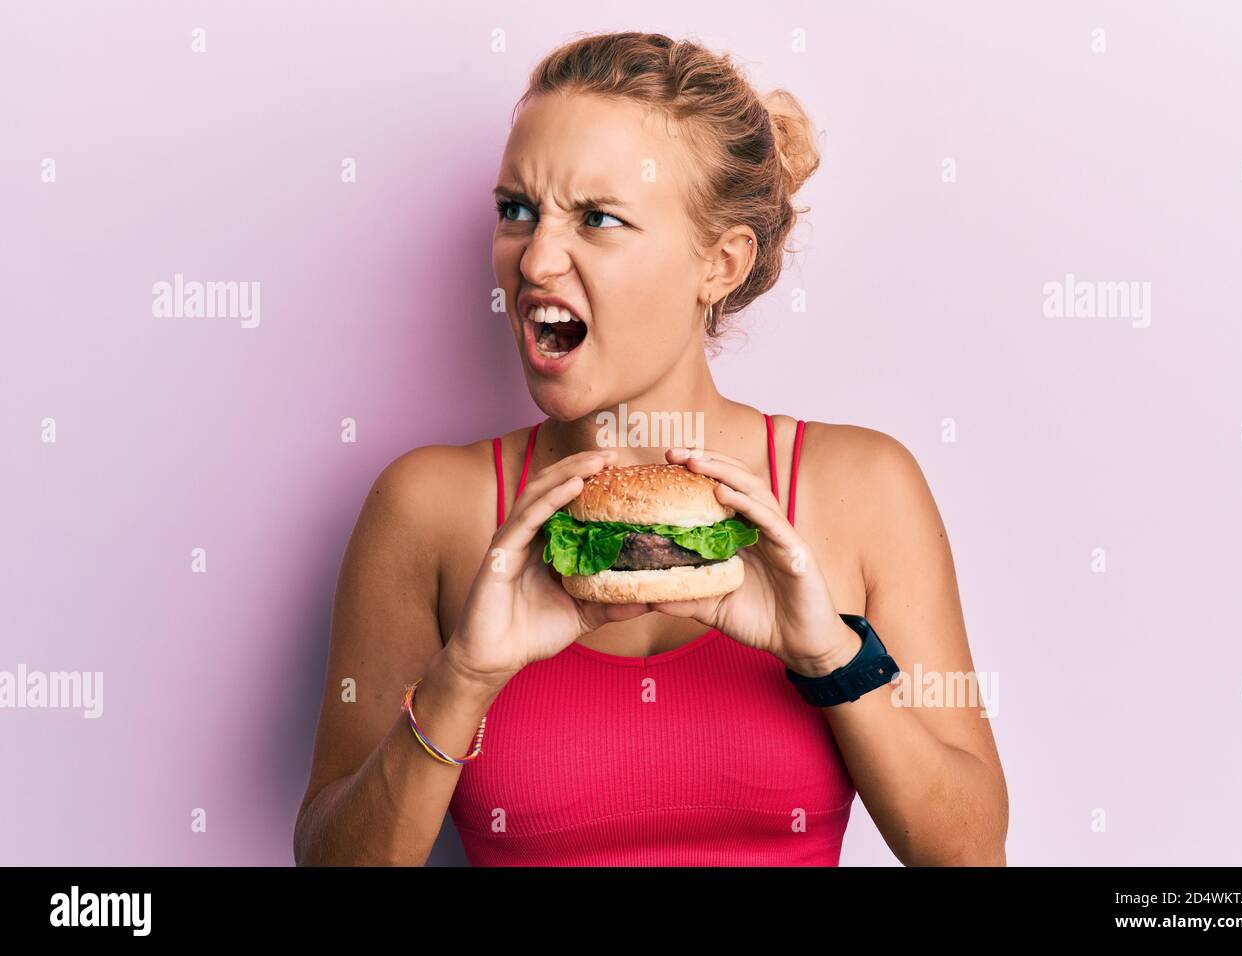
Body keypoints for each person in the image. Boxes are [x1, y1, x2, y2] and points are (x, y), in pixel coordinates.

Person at [294, 31, 1008, 867]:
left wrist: (829, 658)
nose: (535, 257)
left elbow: (971, 854)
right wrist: (464, 681)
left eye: (598, 218)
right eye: (517, 210)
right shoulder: (429, 507)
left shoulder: (859, 489)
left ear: (720, 261)